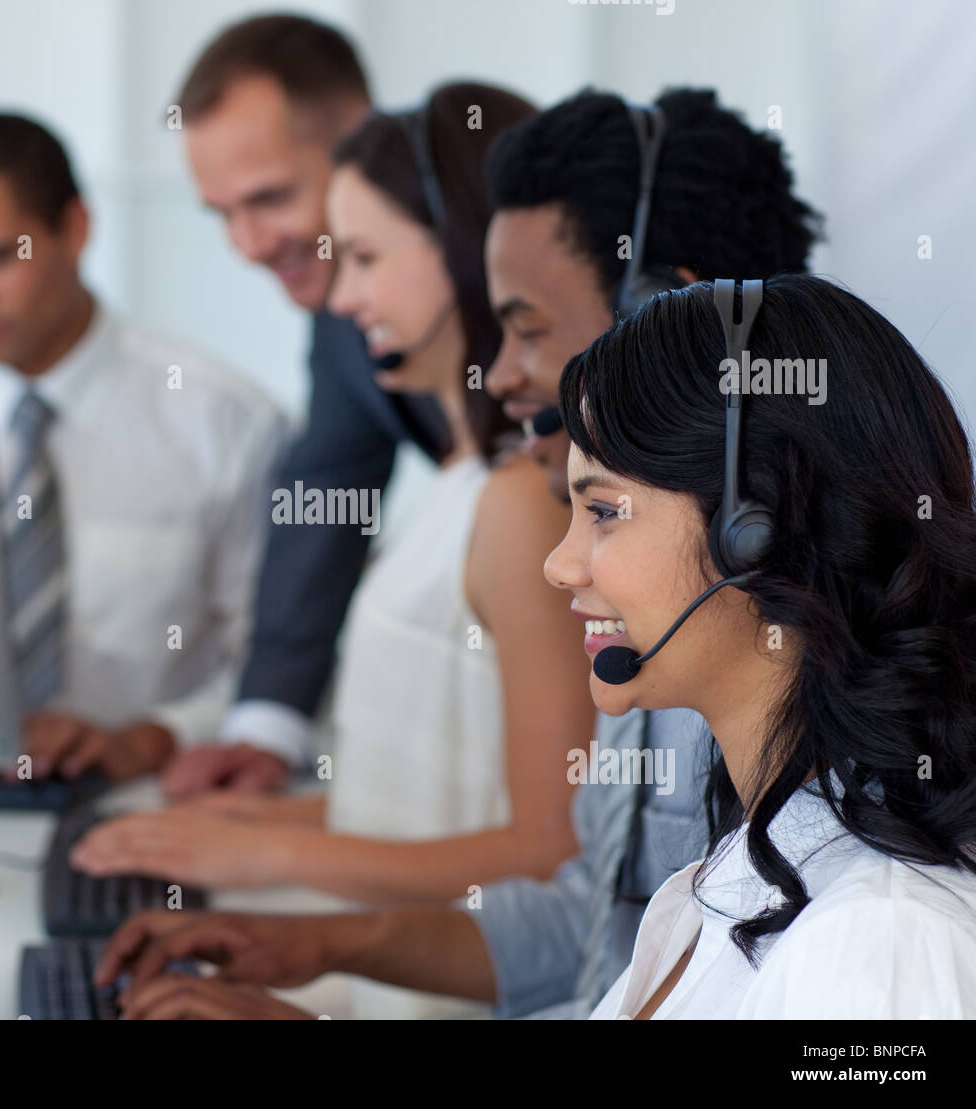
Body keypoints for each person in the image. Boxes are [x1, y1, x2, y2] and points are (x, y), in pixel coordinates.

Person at [87, 88, 827, 1020]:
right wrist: (303, 942)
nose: (508, 371)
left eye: (526, 326)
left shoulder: (821, 730)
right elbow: (591, 934)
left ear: (666, 314)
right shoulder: (651, 628)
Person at [70, 85, 597, 1018]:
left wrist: (268, 853)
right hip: (384, 961)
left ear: (467, 251)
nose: (341, 295)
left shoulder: (522, 505)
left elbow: (550, 848)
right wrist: (265, 819)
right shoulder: (459, 475)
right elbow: (439, 782)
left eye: (363, 258)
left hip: (437, 983)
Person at [551, 274, 976, 1018]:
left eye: (603, 511)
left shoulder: (875, 944)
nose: (559, 563)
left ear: (756, 530)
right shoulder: (737, 878)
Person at [0, 112, 289, 780]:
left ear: (75, 229)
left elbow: (281, 663)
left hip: (140, 799)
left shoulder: (226, 421)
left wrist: (154, 737)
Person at [157, 13, 455, 797]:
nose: (248, 245)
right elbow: (323, 502)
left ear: (361, 139)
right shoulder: (342, 315)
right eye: (222, 214)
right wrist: (264, 729)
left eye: (269, 198)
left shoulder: (522, 279)